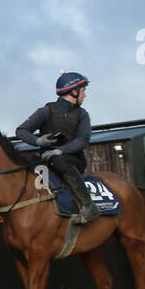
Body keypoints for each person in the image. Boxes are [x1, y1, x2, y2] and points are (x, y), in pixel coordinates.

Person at [16, 71, 100, 224]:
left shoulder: (83, 114)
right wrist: (38, 141)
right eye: (83, 91)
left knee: (59, 160)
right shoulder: (46, 111)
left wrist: (59, 150)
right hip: (46, 161)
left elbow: (83, 140)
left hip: (73, 160)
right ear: (74, 91)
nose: (85, 95)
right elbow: (21, 131)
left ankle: (88, 205)